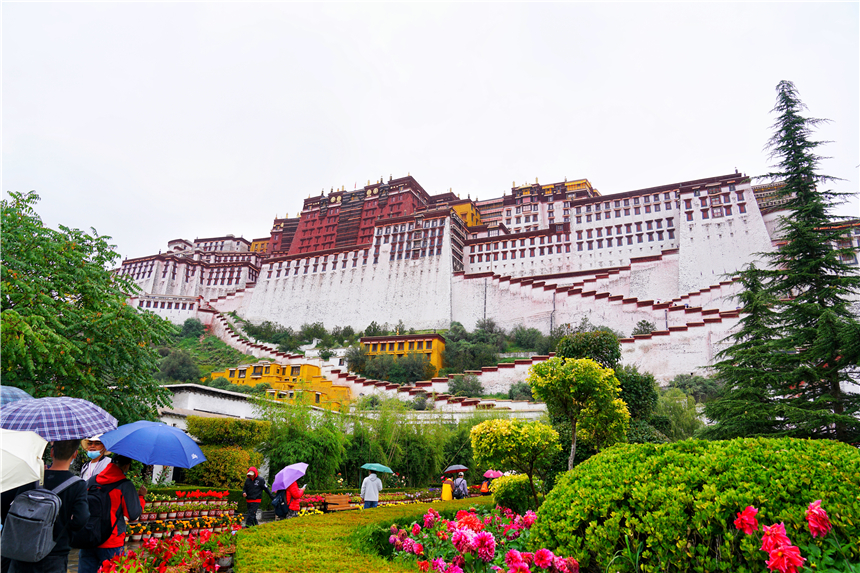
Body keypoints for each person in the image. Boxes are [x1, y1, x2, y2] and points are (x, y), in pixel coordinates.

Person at [2, 439, 89, 573]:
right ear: (75, 454)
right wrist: (63, 532)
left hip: (21, 550)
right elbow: (81, 519)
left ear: (52, 452)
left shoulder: (30, 478)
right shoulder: (77, 485)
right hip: (54, 554)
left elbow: (5, 505)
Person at [78, 454, 146, 573]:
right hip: (112, 541)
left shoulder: (92, 481)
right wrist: (140, 497)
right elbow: (133, 514)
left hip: (88, 538)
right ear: (126, 466)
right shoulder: (125, 485)